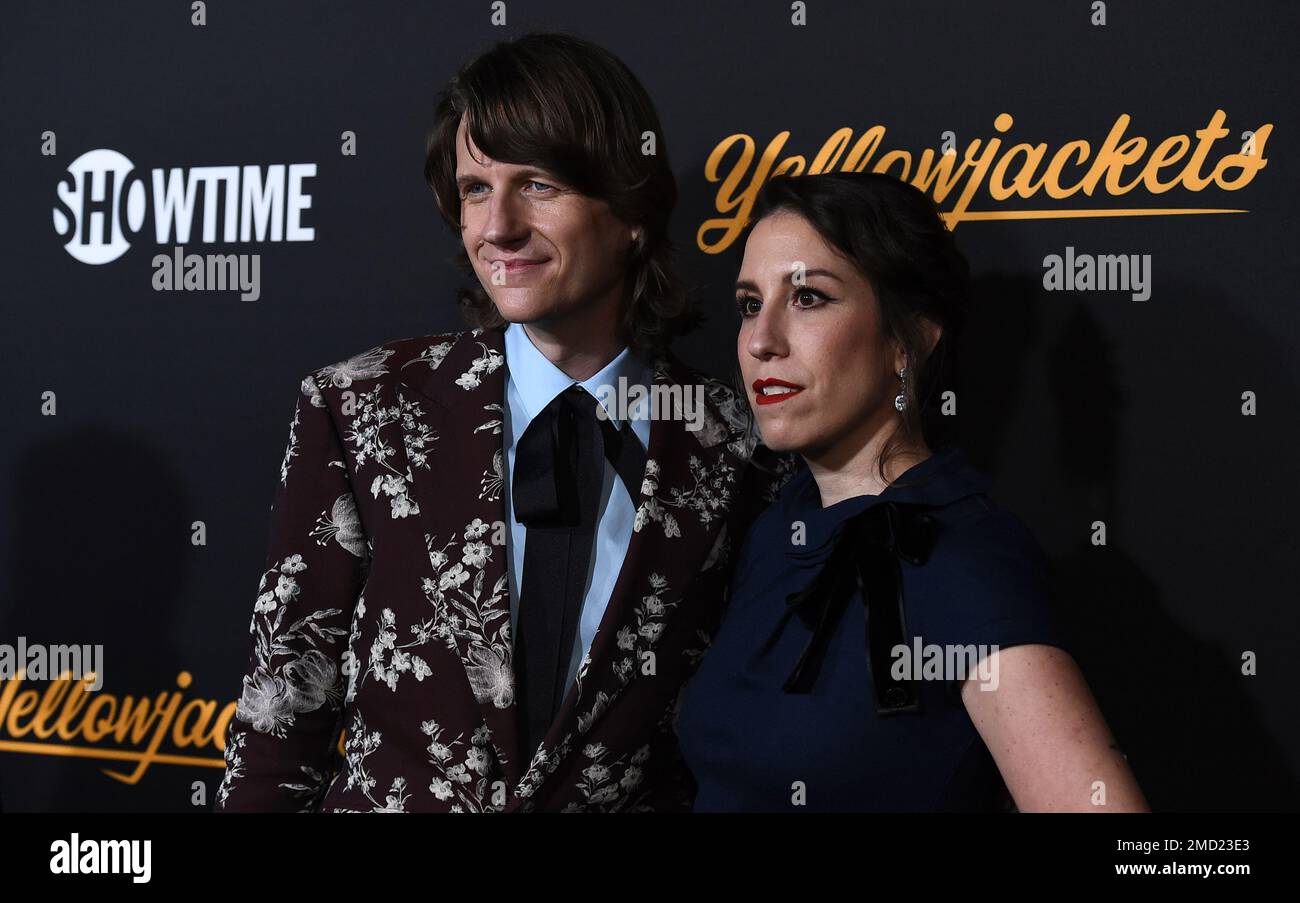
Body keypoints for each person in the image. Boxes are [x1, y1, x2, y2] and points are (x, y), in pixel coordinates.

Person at [214, 32, 786, 813]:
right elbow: (282, 719)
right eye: (476, 189)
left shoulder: (734, 443)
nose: (498, 227)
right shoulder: (362, 406)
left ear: (630, 213)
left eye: (539, 185)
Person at [675, 171, 1149, 812]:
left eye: (809, 297)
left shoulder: (959, 559)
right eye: (750, 304)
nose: (761, 341)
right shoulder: (776, 529)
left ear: (908, 340)